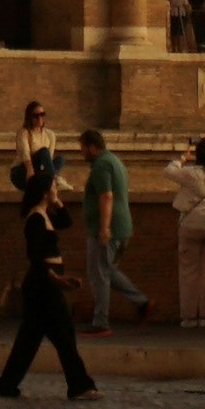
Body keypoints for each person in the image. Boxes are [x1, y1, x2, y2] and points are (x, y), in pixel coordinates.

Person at [0, 146, 97, 403]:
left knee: (29, 341)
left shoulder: (44, 215)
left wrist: (56, 200)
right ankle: (79, 385)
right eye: (53, 188)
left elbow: (66, 222)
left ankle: (6, 385)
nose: (56, 190)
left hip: (44, 285)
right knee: (63, 335)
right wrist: (58, 279)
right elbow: (36, 257)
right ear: (43, 192)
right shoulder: (36, 220)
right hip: (43, 285)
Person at [76, 119, 146, 330]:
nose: (81, 153)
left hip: (109, 229)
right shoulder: (115, 161)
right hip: (122, 227)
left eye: (82, 148)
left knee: (98, 274)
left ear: (92, 147)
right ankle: (142, 303)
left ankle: (101, 322)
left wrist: (104, 227)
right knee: (108, 271)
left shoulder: (101, 165)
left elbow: (106, 195)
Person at [168, 133, 205, 332]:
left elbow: (169, 171)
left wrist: (183, 157)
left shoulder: (193, 173)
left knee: (189, 272)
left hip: (191, 226)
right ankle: (204, 316)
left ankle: (189, 317)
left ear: (198, 156)